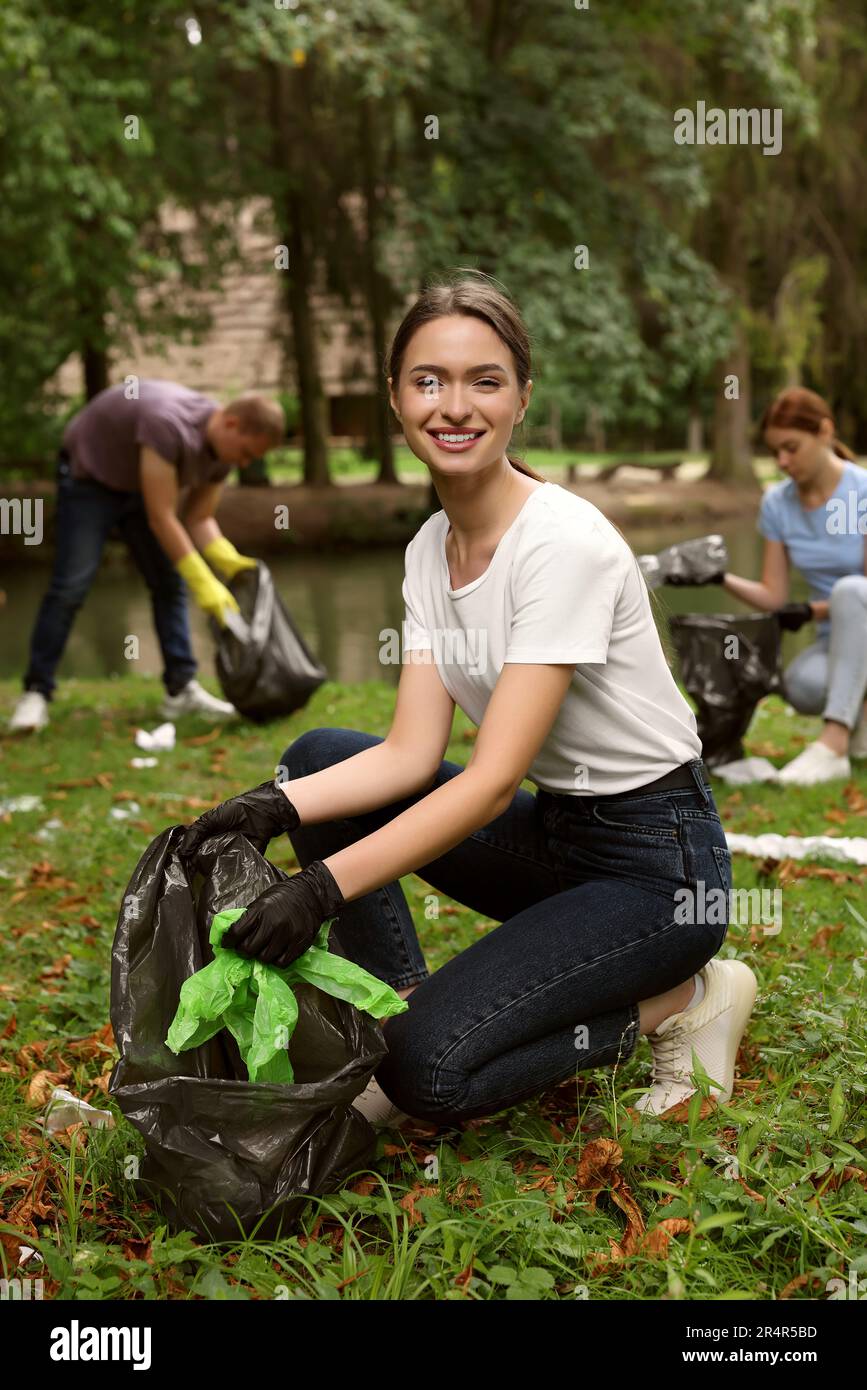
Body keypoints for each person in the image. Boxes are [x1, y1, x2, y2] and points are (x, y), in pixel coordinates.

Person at [179, 274, 757, 1131]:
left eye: (484, 381)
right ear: (394, 398)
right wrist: (262, 808)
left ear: (522, 397)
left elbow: (488, 783)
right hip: (561, 839)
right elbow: (409, 754)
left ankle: (681, 997)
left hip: (659, 871)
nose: (454, 406)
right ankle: (397, 997)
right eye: (428, 380)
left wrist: (319, 892)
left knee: (426, 1075)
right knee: (316, 761)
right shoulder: (429, 547)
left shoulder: (560, 544)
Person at [8, 380, 285, 731]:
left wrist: (228, 560)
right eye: (246, 453)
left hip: (141, 485)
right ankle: (36, 692)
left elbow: (199, 518)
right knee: (71, 585)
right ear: (231, 424)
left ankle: (180, 690)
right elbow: (162, 516)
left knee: (168, 584)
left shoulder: (222, 452)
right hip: (89, 476)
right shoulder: (167, 424)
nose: (244, 463)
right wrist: (203, 581)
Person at [716, 388, 867, 784]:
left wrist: (811, 610)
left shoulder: (862, 492)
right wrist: (718, 577)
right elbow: (774, 596)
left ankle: (834, 744)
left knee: (851, 589)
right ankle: (859, 726)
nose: (782, 461)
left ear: (825, 432)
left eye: (791, 448)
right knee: (801, 684)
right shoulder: (778, 504)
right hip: (833, 642)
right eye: (774, 452)